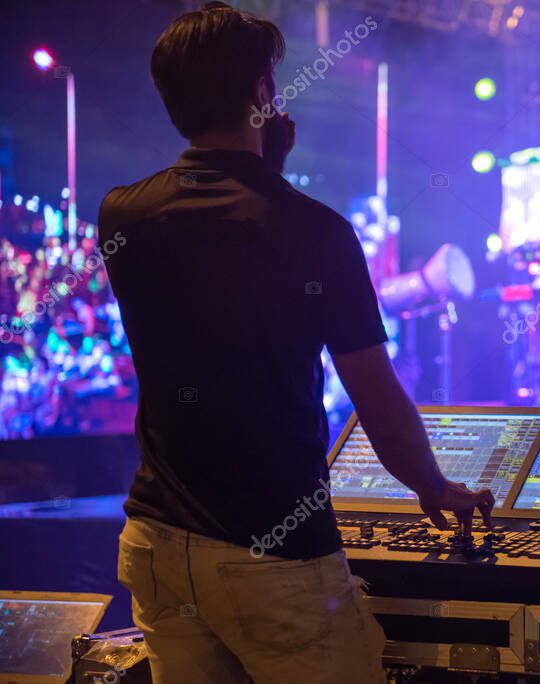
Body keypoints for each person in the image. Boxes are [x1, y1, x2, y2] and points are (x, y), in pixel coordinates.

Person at [98, 3, 494, 682]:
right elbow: (374, 395)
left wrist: (264, 170)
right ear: (261, 93)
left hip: (157, 543)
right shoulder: (317, 233)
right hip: (273, 554)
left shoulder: (123, 214)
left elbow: (218, 257)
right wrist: (433, 488)